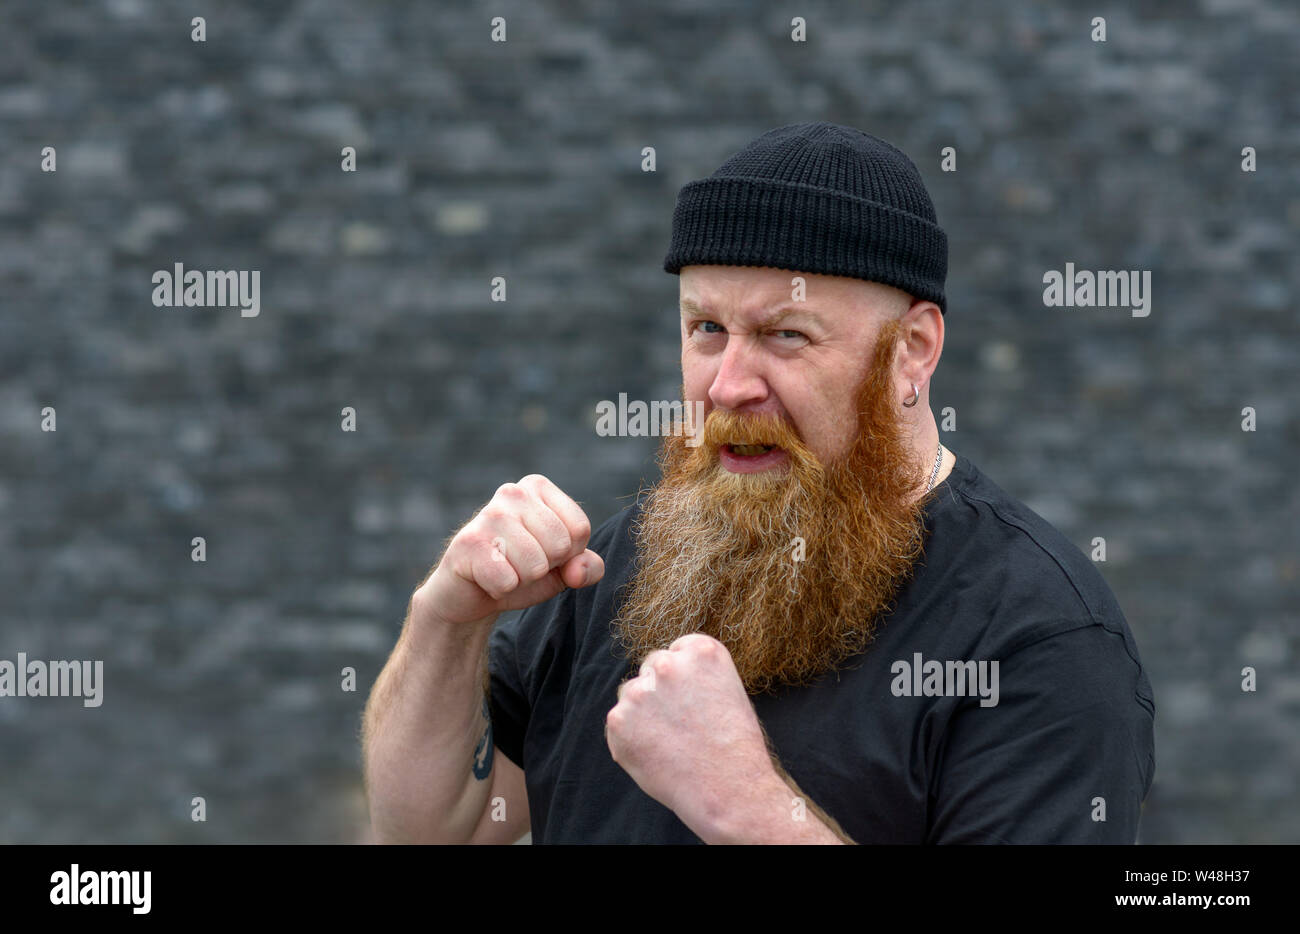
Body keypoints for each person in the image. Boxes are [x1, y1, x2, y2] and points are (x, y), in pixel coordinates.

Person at [361, 122, 1156, 844]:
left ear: (913, 349)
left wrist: (746, 807)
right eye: (707, 328)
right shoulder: (619, 565)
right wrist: (446, 619)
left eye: (786, 334)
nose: (729, 385)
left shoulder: (1040, 639)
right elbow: (439, 832)